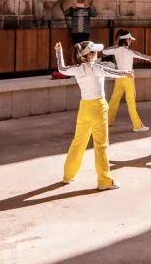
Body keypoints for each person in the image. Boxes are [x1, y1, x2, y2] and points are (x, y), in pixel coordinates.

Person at [57, 40, 132, 190]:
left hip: (84, 107)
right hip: (98, 107)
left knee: (78, 142)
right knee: (101, 145)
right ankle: (104, 181)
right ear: (90, 55)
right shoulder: (96, 68)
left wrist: (58, 52)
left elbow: (61, 68)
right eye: (95, 51)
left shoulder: (76, 69)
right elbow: (111, 72)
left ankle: (68, 175)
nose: (97, 53)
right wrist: (125, 73)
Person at [103, 29, 151, 132]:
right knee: (131, 102)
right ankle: (137, 126)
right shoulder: (129, 51)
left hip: (119, 77)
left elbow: (104, 51)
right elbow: (140, 55)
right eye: (130, 39)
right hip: (128, 77)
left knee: (114, 101)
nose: (130, 41)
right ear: (127, 40)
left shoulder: (116, 50)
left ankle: (107, 122)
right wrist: (149, 58)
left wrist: (117, 47)